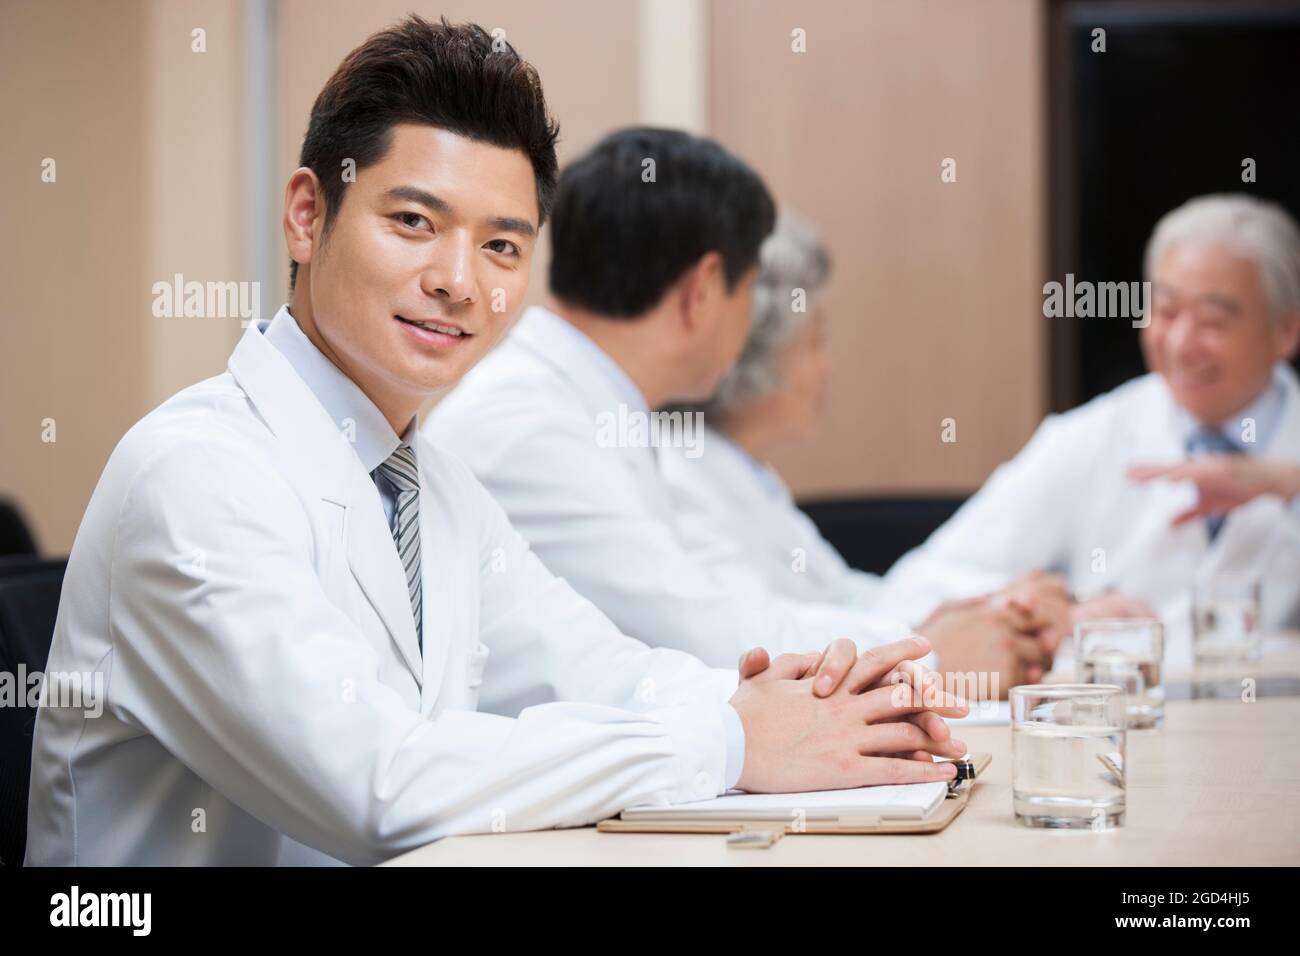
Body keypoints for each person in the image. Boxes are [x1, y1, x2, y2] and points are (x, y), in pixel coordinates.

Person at [25, 16, 966, 868]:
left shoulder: (432, 484)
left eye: (502, 247)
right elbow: (379, 786)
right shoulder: (196, 476)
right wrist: (729, 741)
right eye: (413, 222)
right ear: (308, 215)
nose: (458, 282)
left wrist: (813, 706)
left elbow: (605, 669)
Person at [425, 129, 1065, 690]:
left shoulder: (578, 402)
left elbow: (721, 608)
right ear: (704, 290)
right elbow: (698, 633)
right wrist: (926, 655)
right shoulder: (529, 427)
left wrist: (929, 636)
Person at [881, 194, 1300, 663]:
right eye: (1165, 313)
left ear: (1285, 330)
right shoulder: (1091, 436)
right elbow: (917, 586)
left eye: (1212, 321)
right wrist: (1061, 612)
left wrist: (1288, 484)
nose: (1181, 343)